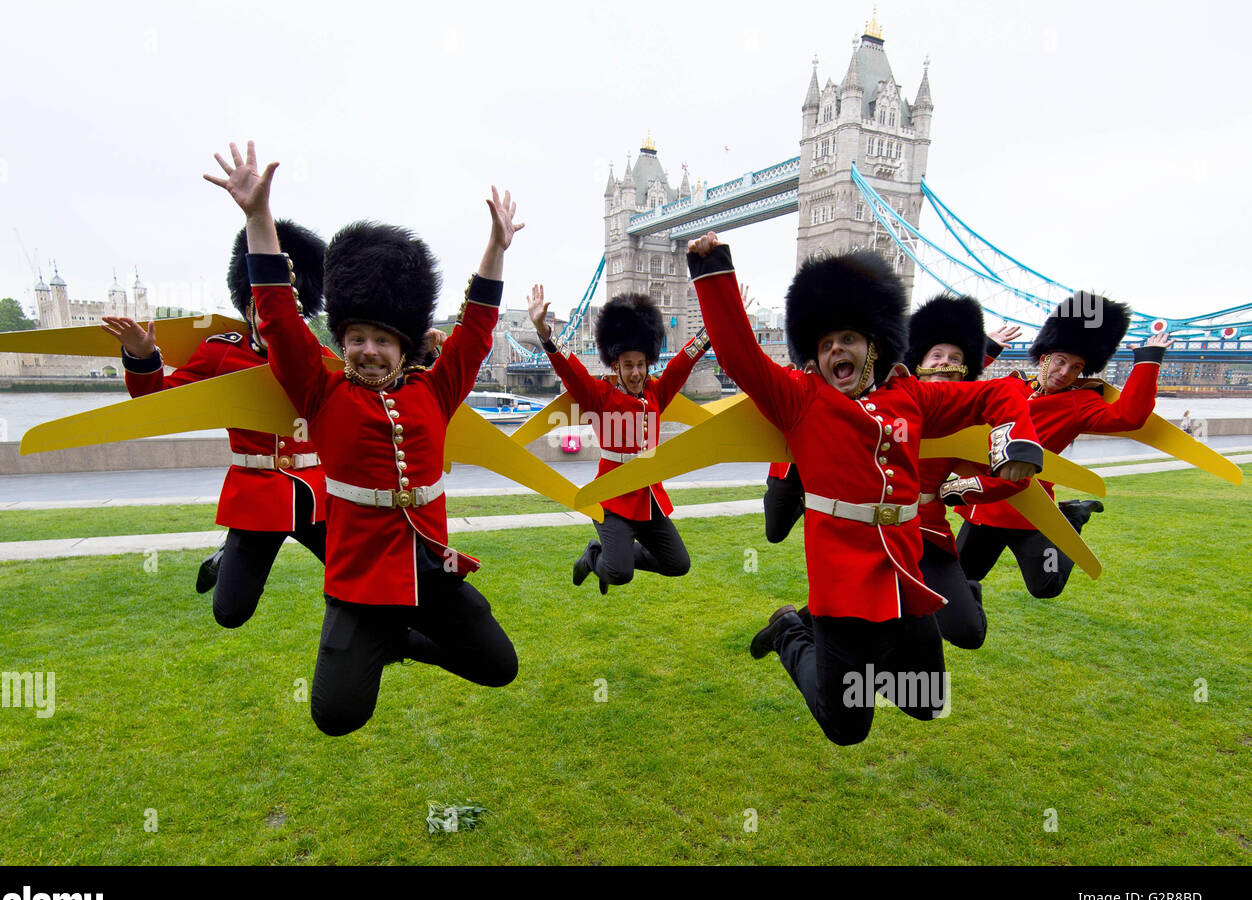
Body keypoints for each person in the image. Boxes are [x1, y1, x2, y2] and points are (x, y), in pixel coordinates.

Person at [206, 140, 519, 736]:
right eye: (356, 337)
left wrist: (496, 248)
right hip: (359, 581)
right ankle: (381, 636)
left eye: (382, 338)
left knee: (498, 666)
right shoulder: (322, 395)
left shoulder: (436, 390)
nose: (368, 350)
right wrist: (257, 218)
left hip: (430, 569)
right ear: (341, 342)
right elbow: (277, 315)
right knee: (337, 716)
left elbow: (477, 330)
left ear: (404, 345)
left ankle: (401, 641)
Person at [686, 231, 1042, 745]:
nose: (836, 351)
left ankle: (860, 667)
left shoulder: (910, 395)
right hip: (841, 583)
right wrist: (714, 271)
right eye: (826, 345)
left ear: (874, 345)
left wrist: (1013, 445)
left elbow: (1001, 390)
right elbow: (740, 355)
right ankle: (790, 629)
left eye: (847, 340)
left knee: (926, 703)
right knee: (846, 727)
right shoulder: (800, 399)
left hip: (903, 573)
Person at [754, 298, 1024, 652]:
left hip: (922, 529)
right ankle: (807, 630)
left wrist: (963, 488)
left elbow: (963, 387)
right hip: (848, 510)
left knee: (965, 633)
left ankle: (812, 629)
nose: (945, 364)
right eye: (937, 356)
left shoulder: (936, 398)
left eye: (956, 360)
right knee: (778, 533)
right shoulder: (893, 391)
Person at [102, 219, 331, 628]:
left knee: (361, 583)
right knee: (230, 613)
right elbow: (158, 402)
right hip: (258, 498)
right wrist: (142, 357)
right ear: (248, 307)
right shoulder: (221, 353)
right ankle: (227, 556)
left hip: (316, 496)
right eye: (264, 307)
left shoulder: (321, 356)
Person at [951, 292, 1172, 599]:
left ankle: (1072, 517)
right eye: (1060, 361)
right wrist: (985, 350)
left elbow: (1130, 417)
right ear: (1044, 359)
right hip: (986, 508)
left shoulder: (1080, 403)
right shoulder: (1009, 386)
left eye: (1076, 367)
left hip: (1034, 511)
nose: (1065, 373)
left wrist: (1148, 359)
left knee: (1046, 586)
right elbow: (949, 394)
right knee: (957, 585)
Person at [526, 284, 706, 593]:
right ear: (615, 365)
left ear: (648, 362)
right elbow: (570, 370)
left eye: (640, 364)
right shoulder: (600, 396)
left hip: (647, 499)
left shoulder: (656, 393)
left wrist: (712, 329)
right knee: (619, 573)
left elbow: (683, 363)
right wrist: (544, 331)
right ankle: (594, 556)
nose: (635, 373)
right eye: (628, 365)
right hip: (611, 499)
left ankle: (610, 556)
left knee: (678, 564)